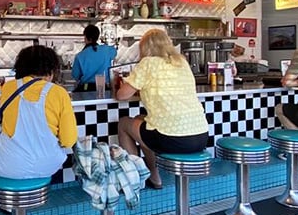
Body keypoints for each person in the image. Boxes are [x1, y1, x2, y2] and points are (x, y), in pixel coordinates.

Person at [0, 44, 78, 178]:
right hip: (48, 166)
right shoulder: (59, 93)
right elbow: (68, 141)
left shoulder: (9, 87)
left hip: (6, 167)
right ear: (51, 70)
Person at [114, 28, 208, 189]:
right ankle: (153, 176)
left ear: (145, 48)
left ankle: (134, 178)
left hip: (171, 138)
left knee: (123, 123)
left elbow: (121, 95)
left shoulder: (148, 63)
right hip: (200, 136)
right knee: (140, 121)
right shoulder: (182, 62)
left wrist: (127, 84)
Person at [71, 24, 117, 92]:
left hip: (86, 89)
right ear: (97, 37)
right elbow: (115, 52)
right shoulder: (107, 50)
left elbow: (75, 76)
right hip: (104, 88)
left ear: (85, 37)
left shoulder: (80, 56)